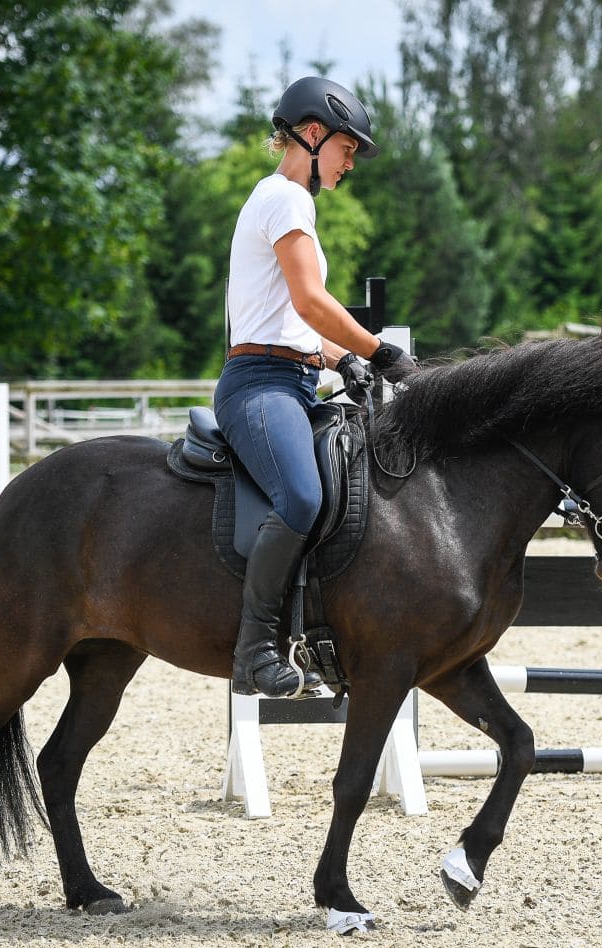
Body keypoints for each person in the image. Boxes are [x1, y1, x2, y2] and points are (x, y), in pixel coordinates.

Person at [216, 76, 418, 699]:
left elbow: (291, 320)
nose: (351, 160)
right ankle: (254, 652)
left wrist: (344, 362)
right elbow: (310, 300)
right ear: (311, 135)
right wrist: (379, 350)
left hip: (296, 377)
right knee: (301, 497)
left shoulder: (287, 201)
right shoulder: (285, 198)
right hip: (260, 385)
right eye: (347, 146)